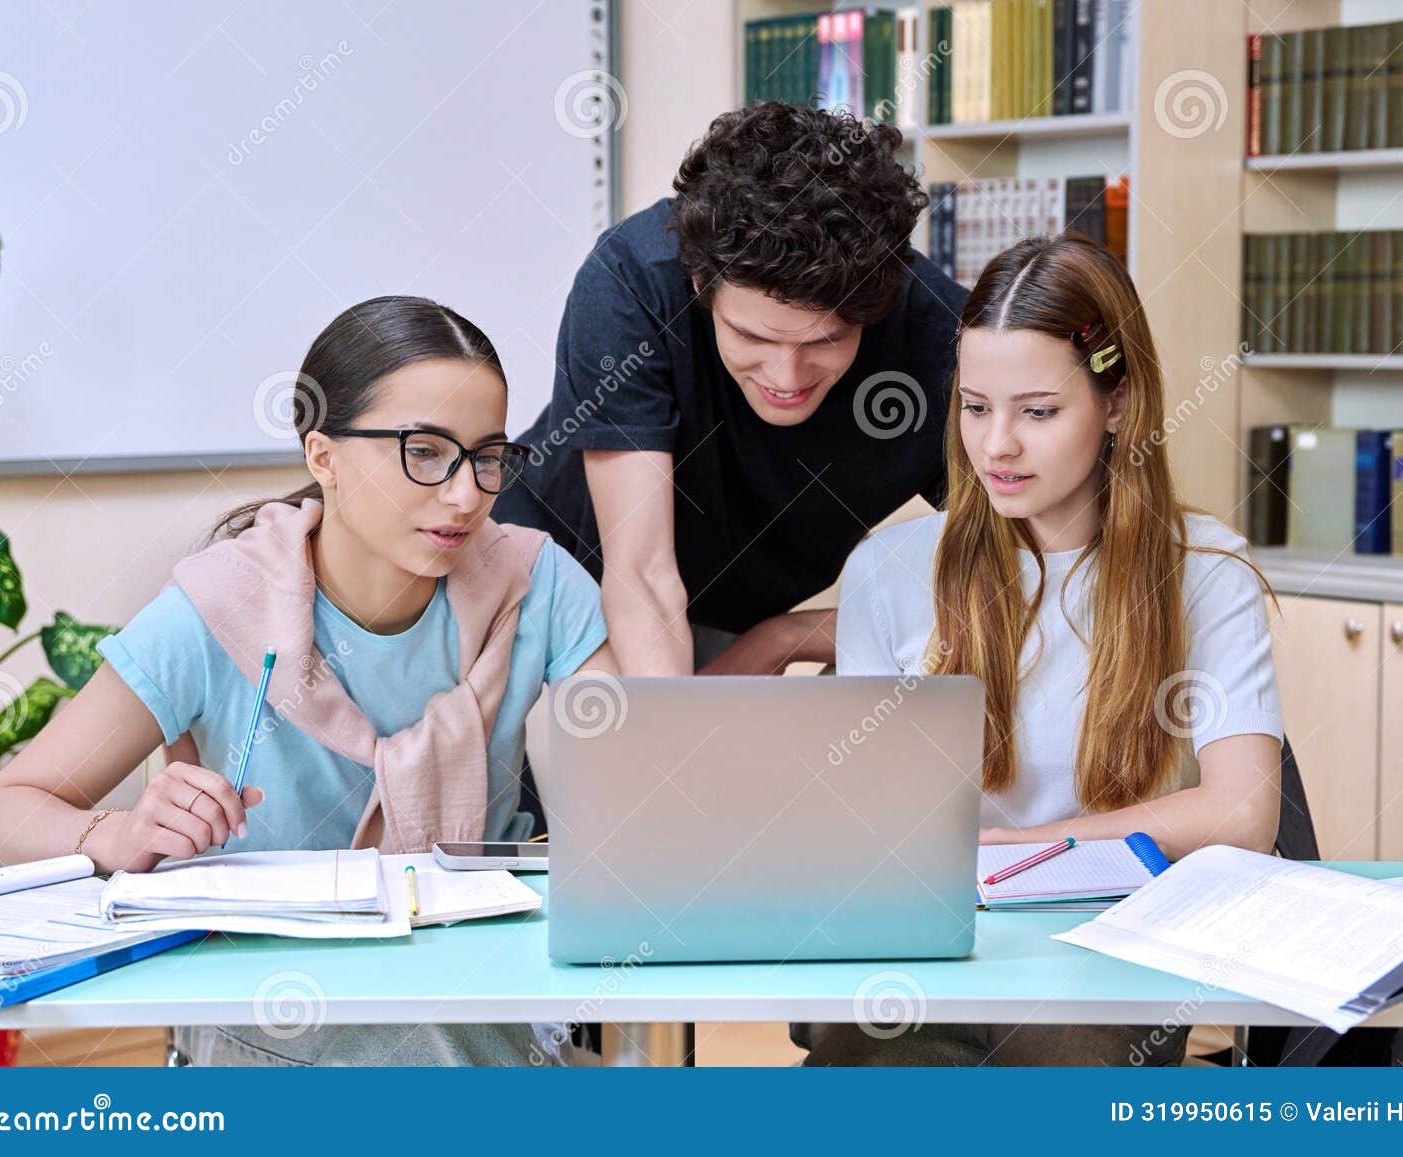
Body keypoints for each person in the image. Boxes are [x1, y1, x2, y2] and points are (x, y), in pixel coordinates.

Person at [0, 296, 616, 1067]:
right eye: (425, 451)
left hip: (476, 1030)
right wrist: (118, 833)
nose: (467, 493)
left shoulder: (536, 583)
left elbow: (648, 788)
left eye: (487, 456)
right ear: (323, 456)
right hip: (263, 1042)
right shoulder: (217, 606)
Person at [794, 233, 1284, 1066]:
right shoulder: (888, 570)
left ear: (1117, 400)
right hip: (935, 948)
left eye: (1038, 411)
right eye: (975, 406)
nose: (997, 446)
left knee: (1062, 1068)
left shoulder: (1207, 572)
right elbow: (870, 818)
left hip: (1109, 947)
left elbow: (1241, 813)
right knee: (863, 1066)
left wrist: (1020, 849)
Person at [496, 101, 968, 676]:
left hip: (737, 607)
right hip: (558, 566)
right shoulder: (633, 282)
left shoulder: (943, 337)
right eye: (752, 336)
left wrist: (784, 638)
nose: (786, 379)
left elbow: (1012, 566)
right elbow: (641, 571)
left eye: (825, 341)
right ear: (700, 282)